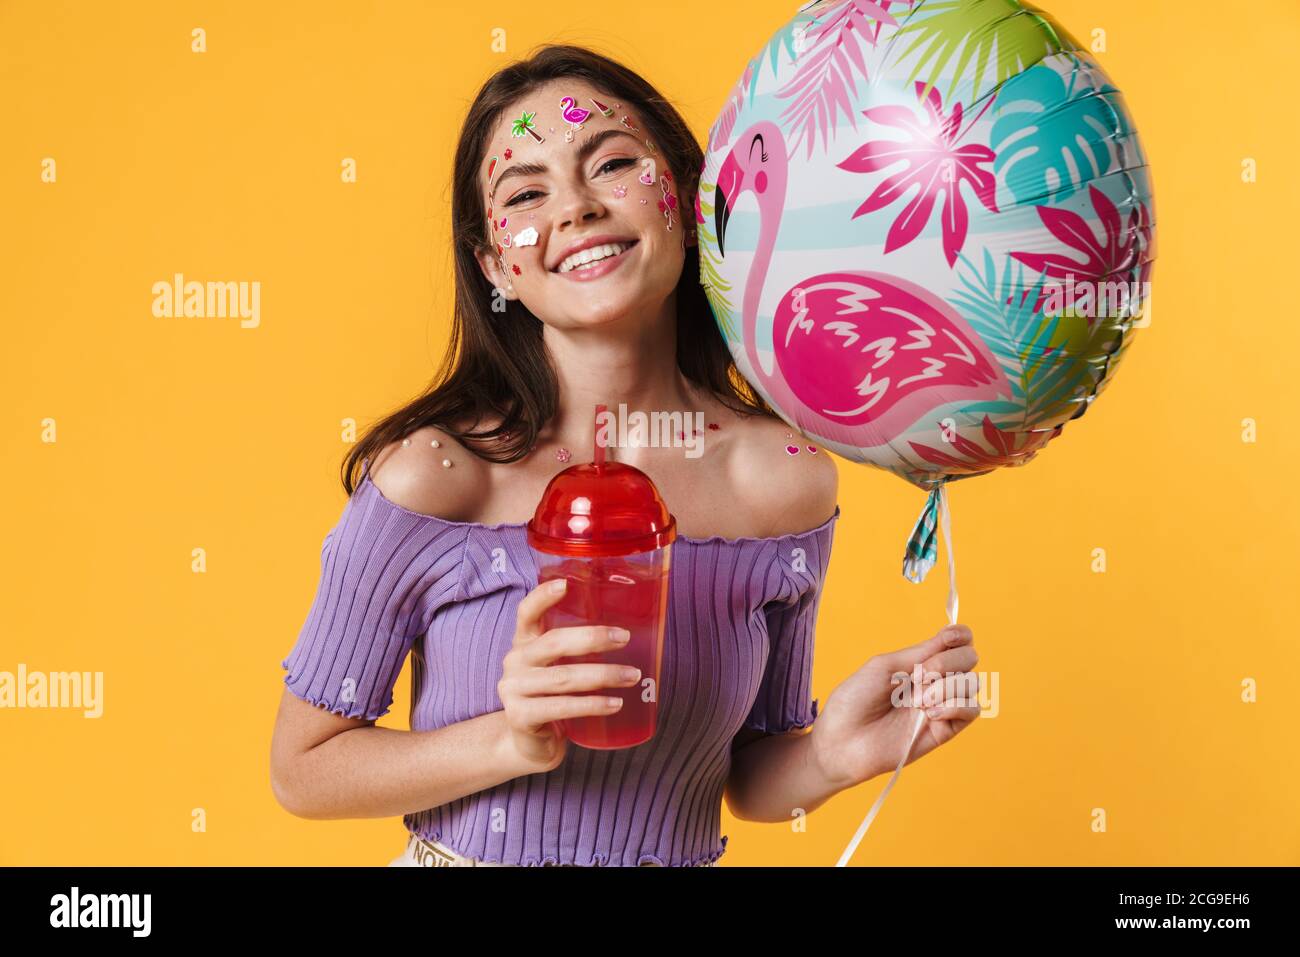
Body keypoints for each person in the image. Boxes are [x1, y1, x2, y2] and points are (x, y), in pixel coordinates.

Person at [269, 44, 980, 867]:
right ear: (497, 263)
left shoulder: (784, 479)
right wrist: (509, 740)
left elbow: (746, 777)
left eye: (610, 163)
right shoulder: (440, 474)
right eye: (526, 192)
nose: (574, 209)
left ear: (683, 192)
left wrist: (832, 756)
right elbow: (302, 768)